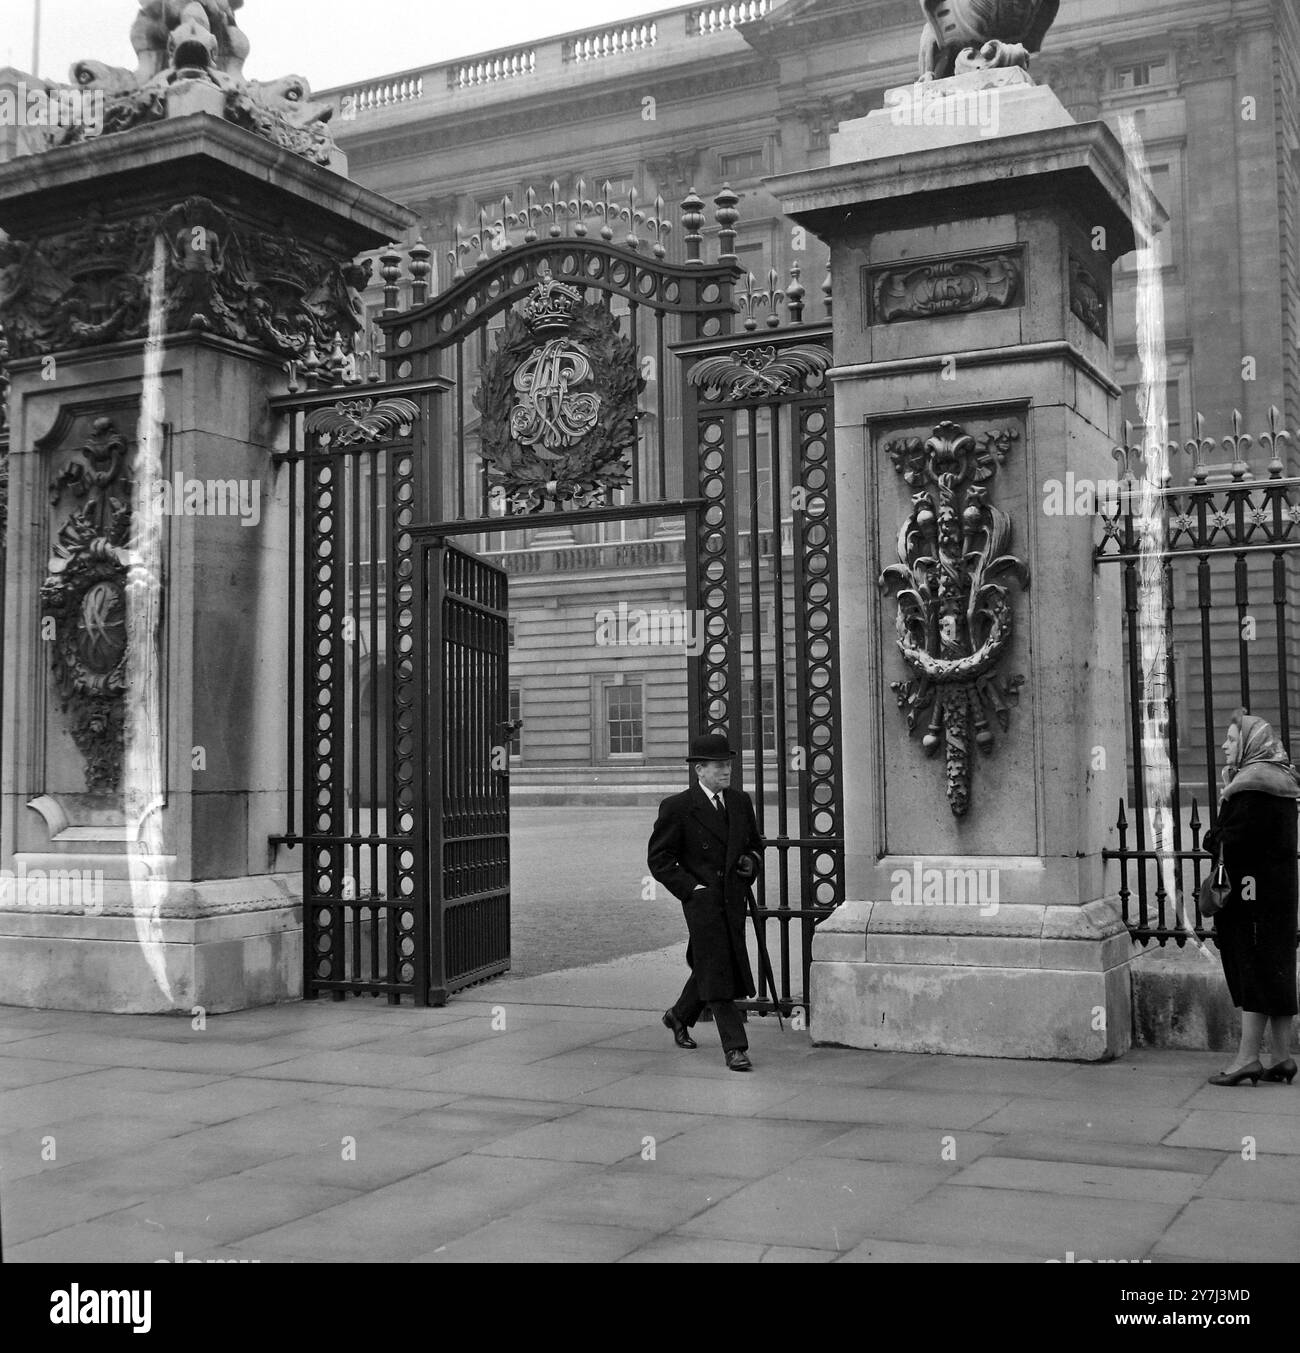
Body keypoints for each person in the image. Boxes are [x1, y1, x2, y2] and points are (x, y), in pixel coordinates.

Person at [647, 733, 763, 1071]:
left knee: (712, 964)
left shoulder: (741, 802)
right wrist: (690, 889)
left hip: (733, 900)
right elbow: (660, 859)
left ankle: (678, 1015)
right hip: (702, 903)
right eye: (719, 766)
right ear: (700, 770)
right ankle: (735, 1048)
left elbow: (755, 844)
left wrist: (750, 862)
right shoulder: (678, 807)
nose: (726, 771)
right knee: (718, 968)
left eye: (728, 764)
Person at [1201, 710, 1300, 1087]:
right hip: (1277, 893)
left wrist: (1212, 838)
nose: (1225, 746)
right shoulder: (1283, 781)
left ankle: (1246, 1059)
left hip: (1250, 895)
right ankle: (1281, 1057)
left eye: (1230, 739)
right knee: (1276, 971)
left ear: (1248, 744)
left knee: (1253, 970)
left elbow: (1229, 839)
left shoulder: (1251, 784)